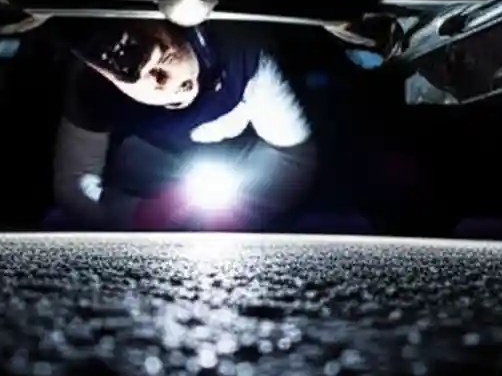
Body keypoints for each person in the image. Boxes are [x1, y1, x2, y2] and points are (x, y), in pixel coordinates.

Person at [52, 20, 316, 230]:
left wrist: (241, 216)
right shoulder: (91, 87)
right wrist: (144, 214)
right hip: (148, 178)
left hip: (239, 173)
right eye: (168, 74)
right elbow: (74, 182)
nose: (156, 78)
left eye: (165, 75)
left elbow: (294, 155)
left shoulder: (243, 56)